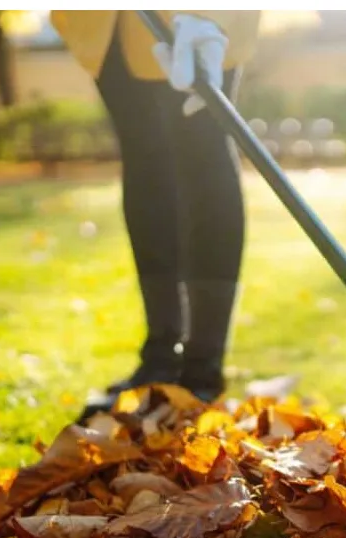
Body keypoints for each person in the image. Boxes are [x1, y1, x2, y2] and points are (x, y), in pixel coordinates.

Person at [50, 11, 261, 422]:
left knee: (202, 147)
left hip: (192, 14)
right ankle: (162, 357)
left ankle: (202, 368)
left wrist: (208, 16)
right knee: (144, 159)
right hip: (106, 19)